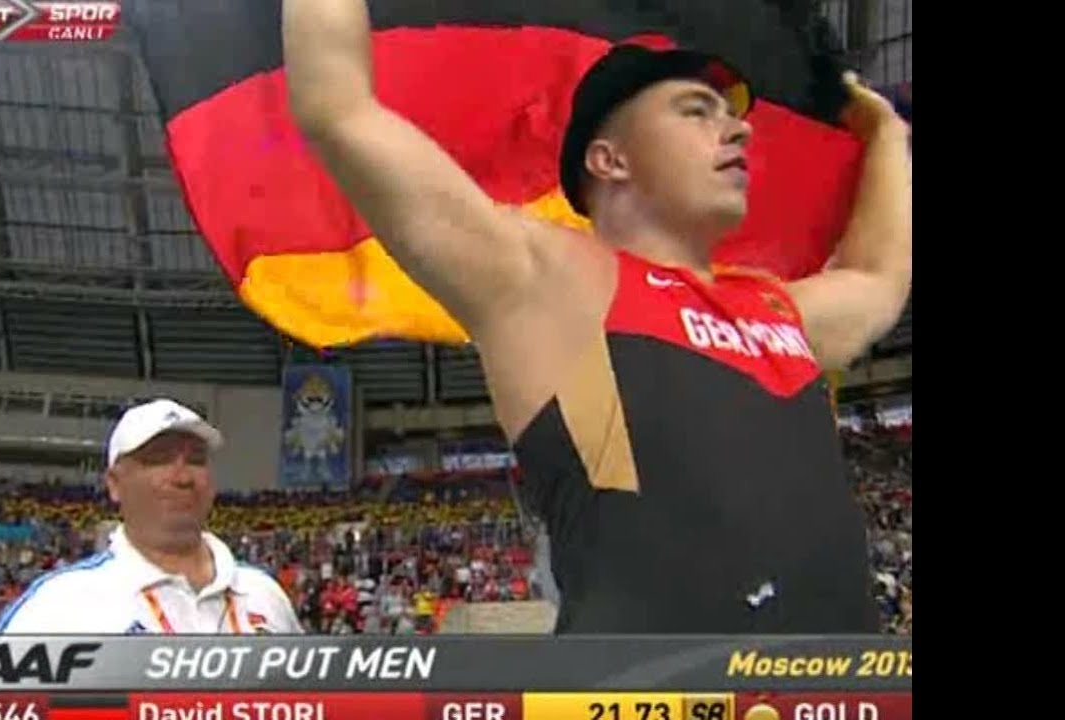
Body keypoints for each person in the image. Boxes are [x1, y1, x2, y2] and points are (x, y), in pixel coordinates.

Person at [282, 0, 910, 633]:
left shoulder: (774, 306)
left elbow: (879, 278)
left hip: (840, 692)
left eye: (732, 115)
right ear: (610, 159)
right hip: (643, 692)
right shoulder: (546, 281)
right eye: (696, 110)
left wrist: (887, 136)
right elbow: (340, 112)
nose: (740, 130)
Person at [0, 399, 303, 634]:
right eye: (158, 461)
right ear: (114, 484)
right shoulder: (58, 606)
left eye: (195, 460)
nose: (182, 477)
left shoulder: (265, 595)